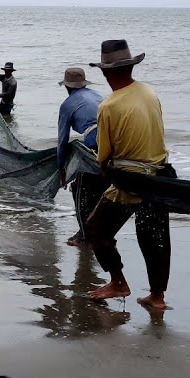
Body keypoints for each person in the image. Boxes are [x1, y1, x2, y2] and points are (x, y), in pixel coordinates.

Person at [81, 40, 173, 310]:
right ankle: (157, 297)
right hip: (161, 174)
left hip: (130, 179)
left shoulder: (108, 106)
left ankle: (118, 281)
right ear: (130, 67)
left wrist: (106, 168)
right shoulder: (148, 92)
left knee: (96, 227)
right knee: (155, 236)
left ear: (105, 72)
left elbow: (104, 156)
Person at [55, 67, 106, 247]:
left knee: (79, 190)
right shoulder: (98, 95)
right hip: (118, 141)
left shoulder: (68, 104)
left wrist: (62, 169)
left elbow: (62, 141)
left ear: (67, 87)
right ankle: (97, 231)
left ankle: (86, 236)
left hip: (97, 143)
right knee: (100, 190)